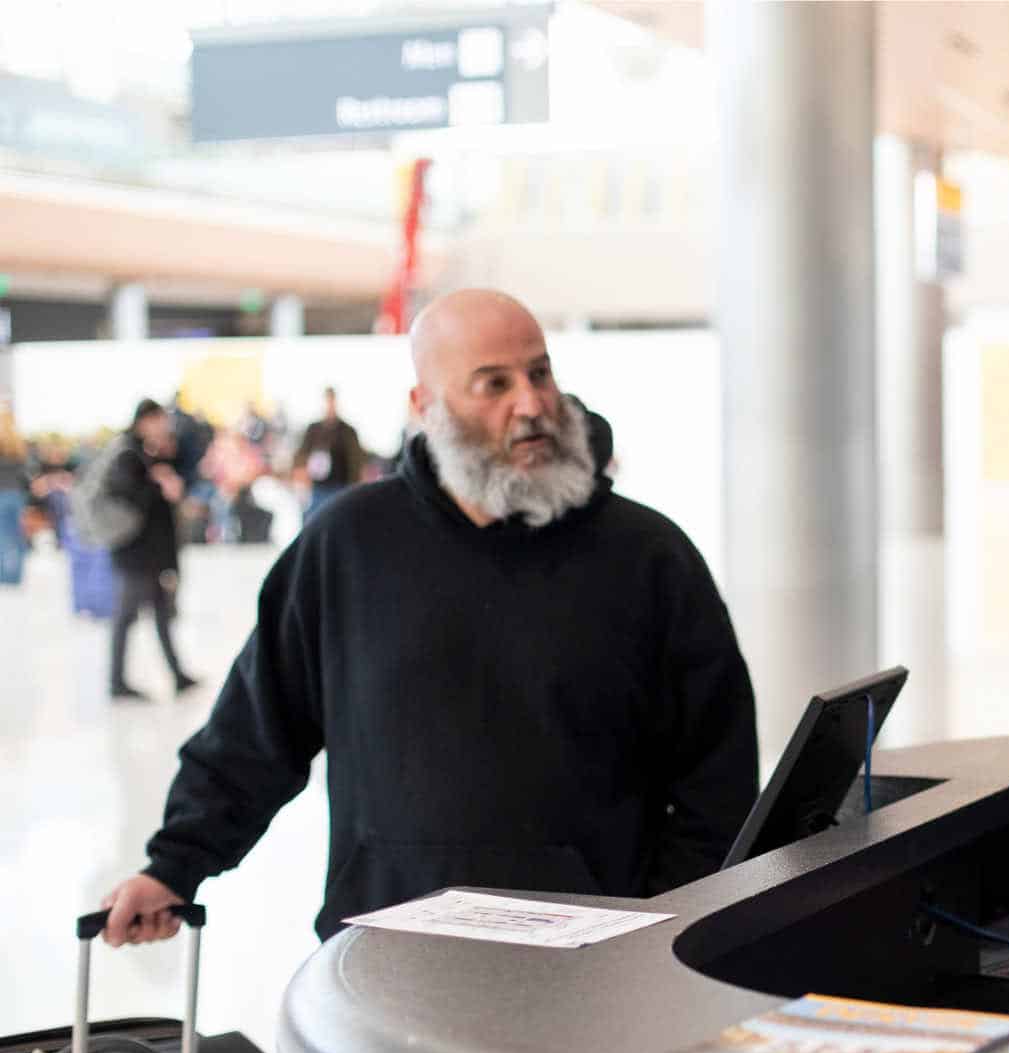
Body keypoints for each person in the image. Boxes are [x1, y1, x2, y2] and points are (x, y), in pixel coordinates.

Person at [99, 289, 758, 945]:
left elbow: (717, 774)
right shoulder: (348, 545)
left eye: (539, 373)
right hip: (387, 954)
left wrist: (659, 922)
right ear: (426, 407)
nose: (529, 404)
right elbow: (256, 728)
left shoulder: (648, 555)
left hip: (603, 963)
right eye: (492, 384)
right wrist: (177, 865)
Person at [106, 400, 199, 700]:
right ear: (145, 421)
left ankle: (177, 675)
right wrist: (158, 484)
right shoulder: (128, 454)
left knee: (161, 612)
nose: (165, 425)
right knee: (125, 615)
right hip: (136, 553)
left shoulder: (152, 452)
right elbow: (130, 498)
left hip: (153, 552)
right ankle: (117, 682)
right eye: (159, 420)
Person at [292, 386, 367, 517]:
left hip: (340, 486)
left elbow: (355, 461)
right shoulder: (313, 430)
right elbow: (302, 456)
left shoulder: (347, 431)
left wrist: (354, 485)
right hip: (318, 488)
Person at [0, 409, 29, 585]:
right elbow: (25, 474)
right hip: (16, 495)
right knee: (17, 535)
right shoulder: (18, 445)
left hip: (1, 495)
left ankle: (4, 574)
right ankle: (16, 575)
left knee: (2, 536)